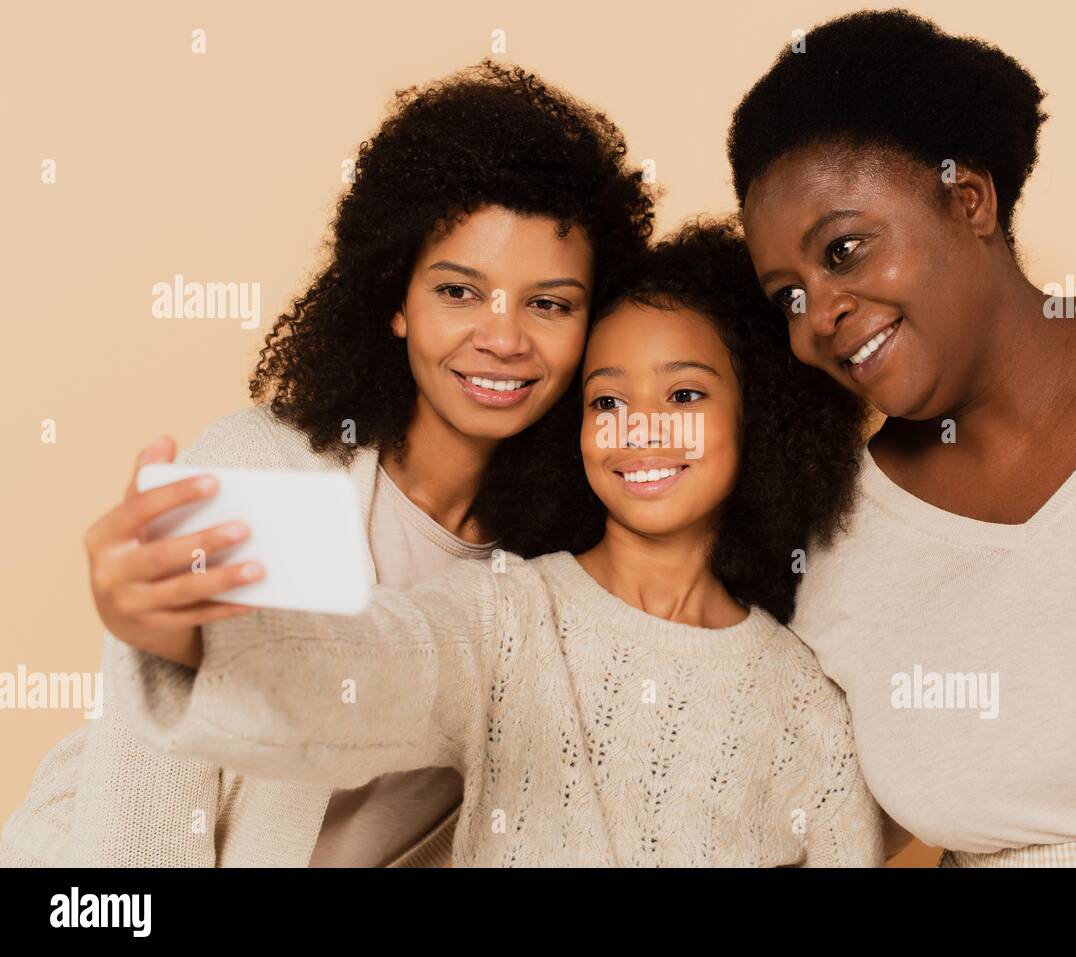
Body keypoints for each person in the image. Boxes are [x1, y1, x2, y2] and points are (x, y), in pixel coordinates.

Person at [1, 60, 654, 868]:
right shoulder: (261, 471)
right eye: (457, 291)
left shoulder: (567, 559)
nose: (504, 336)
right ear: (394, 299)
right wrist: (163, 631)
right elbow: (141, 809)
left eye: (549, 303)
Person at [104, 220, 896, 866]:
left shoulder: (806, 706)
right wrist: (186, 629)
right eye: (607, 399)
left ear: (758, 415)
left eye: (684, 394)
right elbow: (363, 665)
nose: (642, 428)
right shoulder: (507, 615)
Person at [729, 8, 1076, 865]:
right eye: (787, 296)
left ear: (970, 199)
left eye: (843, 250)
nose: (819, 317)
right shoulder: (835, 532)